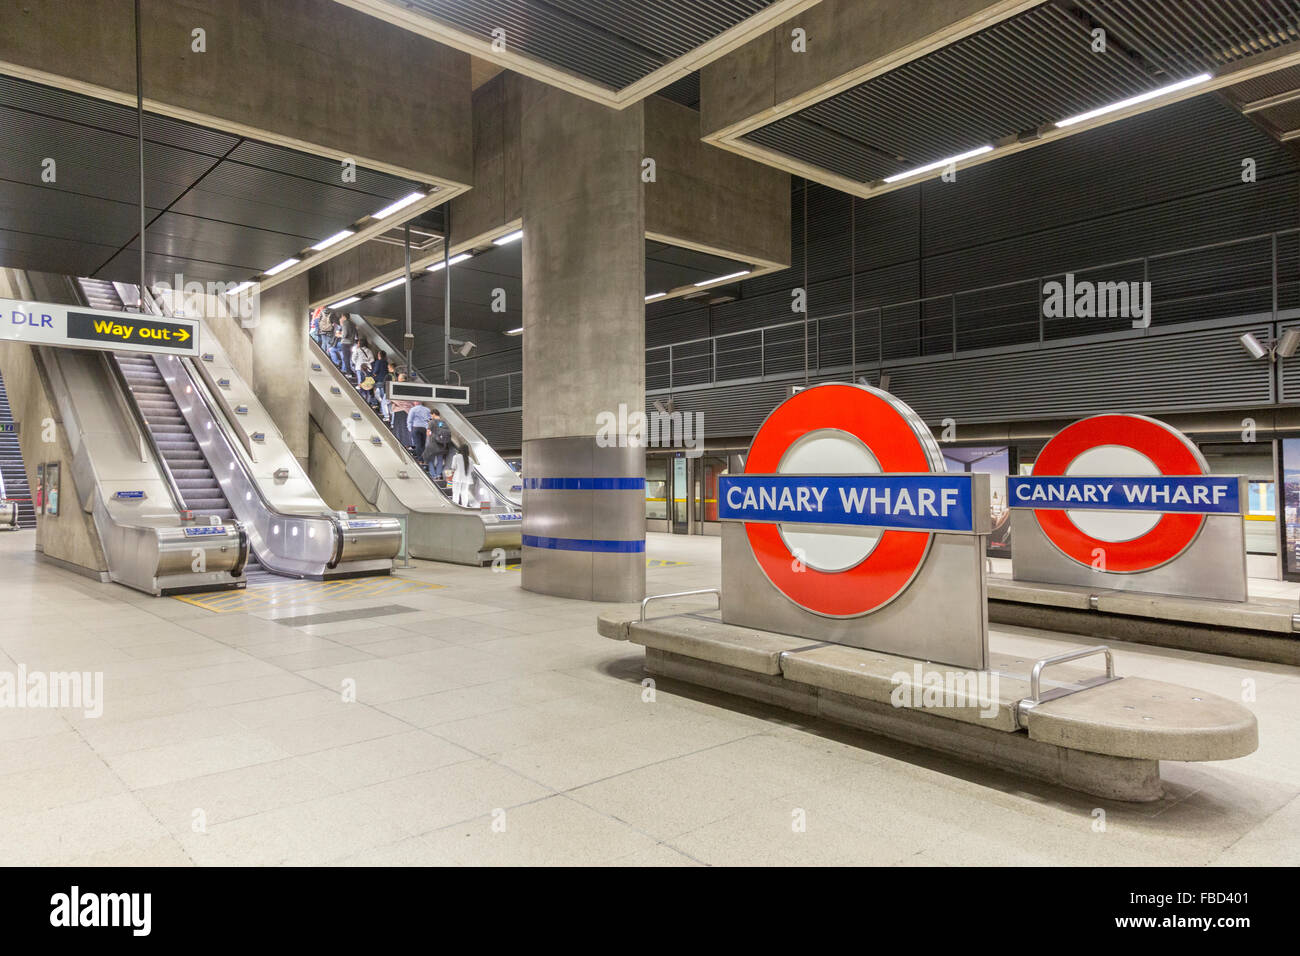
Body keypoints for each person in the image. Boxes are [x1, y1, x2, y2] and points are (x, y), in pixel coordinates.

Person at [388, 371, 415, 446]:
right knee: (406, 427)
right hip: (409, 410)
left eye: (399, 378)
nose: (397, 379)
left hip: (399, 409)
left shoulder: (398, 386)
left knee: (399, 427)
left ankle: (400, 443)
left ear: (401, 379)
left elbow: (393, 398)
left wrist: (395, 402)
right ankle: (408, 444)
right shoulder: (411, 387)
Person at [425, 409, 451, 482]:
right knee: (440, 460)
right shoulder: (443, 422)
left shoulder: (431, 422)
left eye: (431, 414)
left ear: (433, 414)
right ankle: (438, 475)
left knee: (431, 460)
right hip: (441, 443)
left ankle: (433, 475)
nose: (431, 416)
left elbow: (428, 433)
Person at [371, 350, 390, 420]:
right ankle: (382, 411)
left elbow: (375, 371)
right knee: (383, 398)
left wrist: (373, 375)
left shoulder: (378, 362)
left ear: (379, 355)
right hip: (386, 382)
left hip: (379, 381)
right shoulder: (386, 362)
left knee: (379, 396)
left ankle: (377, 406)